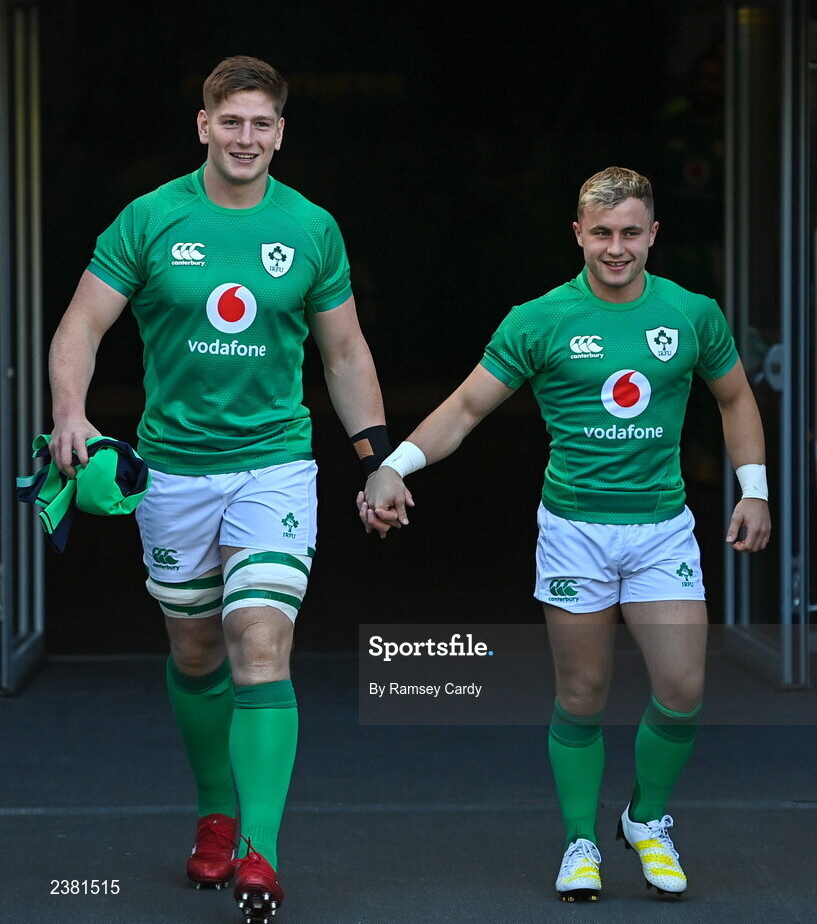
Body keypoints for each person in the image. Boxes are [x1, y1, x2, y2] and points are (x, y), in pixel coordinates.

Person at [358, 167, 770, 902]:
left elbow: (734, 396)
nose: (616, 249)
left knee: (681, 690)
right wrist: (393, 467)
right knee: (582, 695)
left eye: (630, 234)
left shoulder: (692, 313)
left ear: (652, 235)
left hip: (661, 532)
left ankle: (644, 820)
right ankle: (581, 840)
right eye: (602, 234)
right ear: (578, 235)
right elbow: (462, 409)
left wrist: (754, 491)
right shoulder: (538, 319)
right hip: (574, 532)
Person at [48, 55, 394, 922]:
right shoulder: (151, 218)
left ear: (281, 132)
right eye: (231, 122)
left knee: (259, 642)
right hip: (171, 473)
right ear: (203, 126)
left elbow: (344, 353)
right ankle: (215, 811)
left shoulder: (310, 227)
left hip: (273, 464)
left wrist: (376, 457)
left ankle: (261, 852)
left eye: (263, 124)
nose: (247, 138)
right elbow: (81, 325)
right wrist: (69, 414)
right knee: (197, 653)